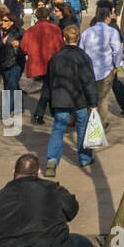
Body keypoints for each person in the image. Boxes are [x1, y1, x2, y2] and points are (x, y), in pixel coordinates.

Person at [43, 24, 99, 177]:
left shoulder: (55, 58)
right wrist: (93, 102)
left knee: (58, 129)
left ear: (63, 38)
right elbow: (88, 81)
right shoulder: (83, 57)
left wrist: (47, 103)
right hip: (79, 99)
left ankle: (52, 160)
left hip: (60, 99)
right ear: (78, 38)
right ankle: (84, 158)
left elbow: (49, 82)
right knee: (82, 128)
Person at [80, 1, 124, 127]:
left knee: (90, 97)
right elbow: (117, 50)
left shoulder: (86, 33)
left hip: (89, 71)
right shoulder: (112, 32)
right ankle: (100, 123)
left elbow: (81, 52)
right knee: (103, 98)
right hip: (106, 69)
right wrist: (115, 65)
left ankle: (88, 121)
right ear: (107, 18)